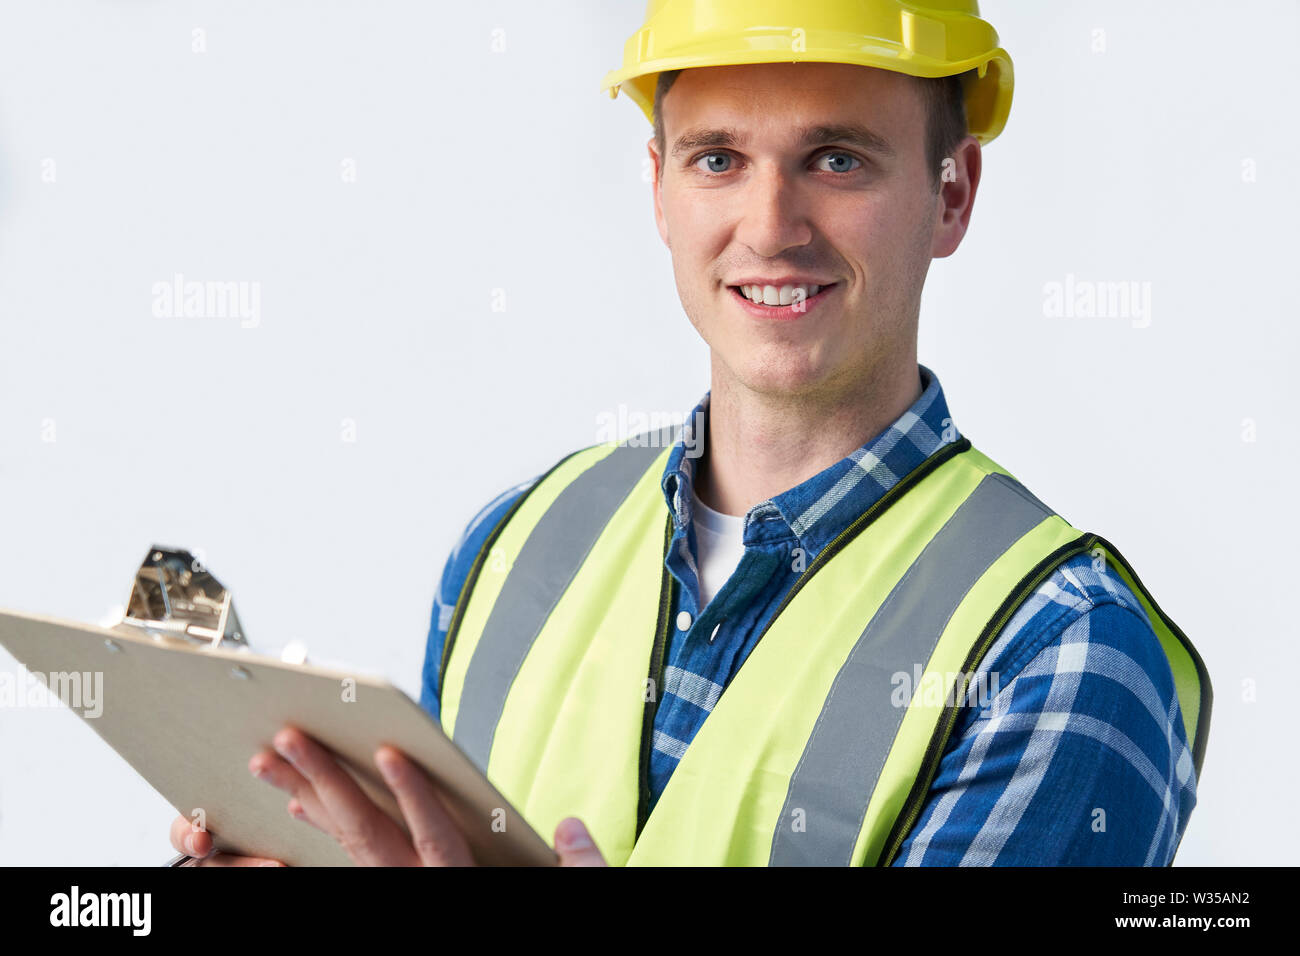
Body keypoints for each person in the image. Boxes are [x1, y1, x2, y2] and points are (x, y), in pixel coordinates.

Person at [169, 0, 1210, 867]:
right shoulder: (512, 549)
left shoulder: (1059, 649)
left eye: (837, 160)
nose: (769, 225)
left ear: (952, 194)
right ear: (658, 187)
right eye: (718, 159)